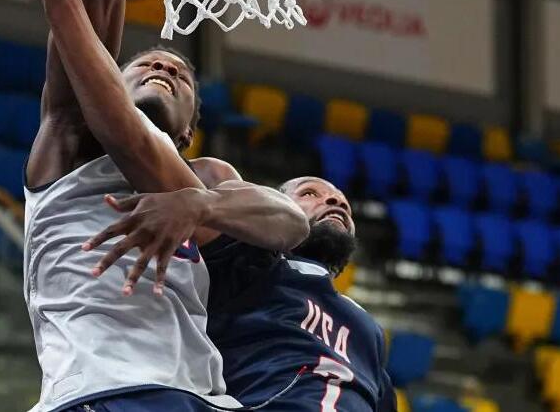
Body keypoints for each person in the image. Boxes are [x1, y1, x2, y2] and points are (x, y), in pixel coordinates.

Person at [0, 0, 309, 412]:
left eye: (181, 75)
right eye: (143, 65)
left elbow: (291, 222)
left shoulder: (203, 178)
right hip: (105, 390)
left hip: (201, 396)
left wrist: (199, 205)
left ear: (188, 131)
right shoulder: (71, 135)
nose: (164, 67)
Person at [91, 176, 396, 411]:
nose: (335, 201)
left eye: (344, 205)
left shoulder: (368, 329)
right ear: (276, 209)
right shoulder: (247, 258)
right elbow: (172, 180)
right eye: (309, 193)